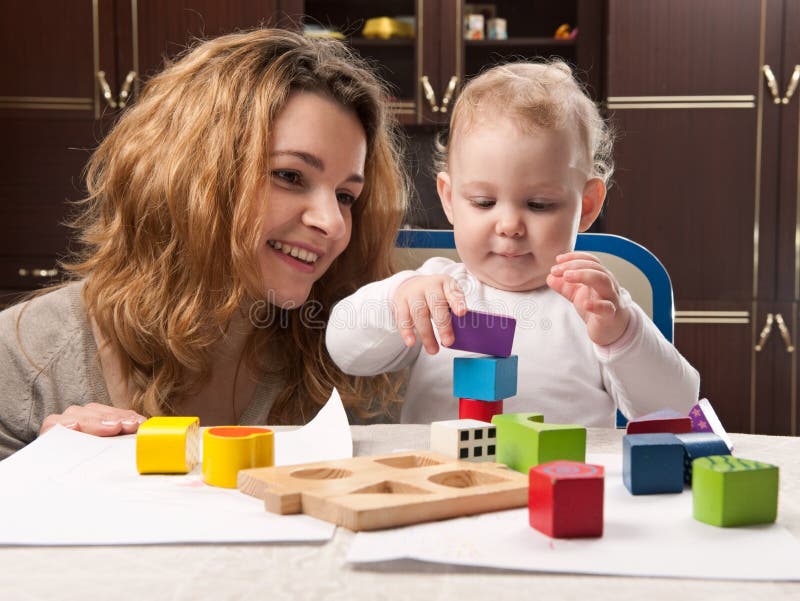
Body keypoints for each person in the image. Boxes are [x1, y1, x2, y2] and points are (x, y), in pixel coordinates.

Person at [0, 28, 408, 460]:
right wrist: (38, 484)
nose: (331, 224)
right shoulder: (25, 355)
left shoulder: (350, 353)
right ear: (190, 178)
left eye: (346, 196)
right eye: (289, 176)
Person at [326, 60, 700, 426]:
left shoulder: (594, 307)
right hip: (444, 483)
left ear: (585, 206)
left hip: (561, 483)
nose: (509, 225)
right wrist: (399, 299)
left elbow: (675, 409)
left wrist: (622, 334)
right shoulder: (437, 289)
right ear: (449, 198)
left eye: (539, 205)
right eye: (484, 202)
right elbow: (344, 349)